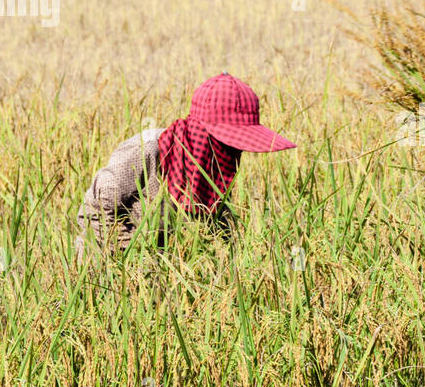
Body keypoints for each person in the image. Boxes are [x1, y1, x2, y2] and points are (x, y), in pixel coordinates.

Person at [76, 73, 294, 259]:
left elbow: (215, 222)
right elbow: (94, 209)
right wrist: (131, 258)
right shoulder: (148, 150)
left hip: (159, 270)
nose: (236, 151)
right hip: (106, 262)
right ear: (207, 133)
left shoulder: (215, 166)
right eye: (230, 143)